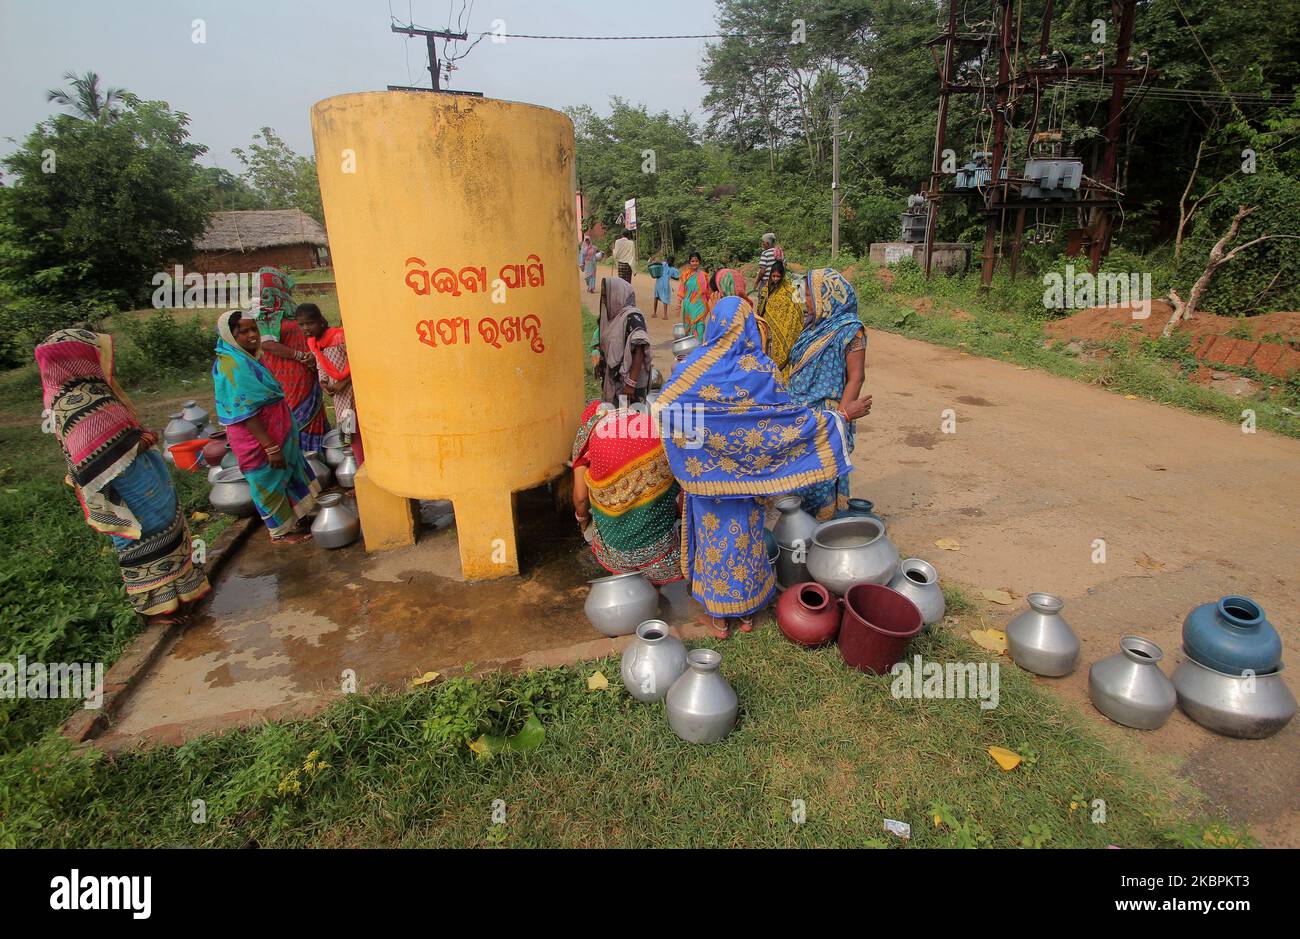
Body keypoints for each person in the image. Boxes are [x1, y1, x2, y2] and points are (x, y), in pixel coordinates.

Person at [655, 295, 867, 639]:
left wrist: (706, 444)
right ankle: (749, 615)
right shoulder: (763, 370)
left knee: (715, 540)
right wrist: (839, 417)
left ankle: (720, 620)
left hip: (708, 478)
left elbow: (663, 408)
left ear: (715, 325)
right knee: (748, 538)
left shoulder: (694, 366)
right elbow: (789, 420)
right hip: (752, 478)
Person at [35, 328, 210, 625]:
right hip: (122, 485)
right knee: (140, 538)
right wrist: (140, 442)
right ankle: (152, 609)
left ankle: (179, 595)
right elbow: (91, 454)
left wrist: (140, 440)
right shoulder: (71, 402)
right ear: (76, 359)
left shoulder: (97, 390)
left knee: (167, 529)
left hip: (143, 476)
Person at [213, 310, 321, 544]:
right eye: (245, 331)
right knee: (267, 482)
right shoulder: (232, 365)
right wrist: (270, 446)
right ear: (231, 335)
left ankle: (296, 519)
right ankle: (280, 533)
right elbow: (246, 412)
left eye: (255, 329)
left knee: (288, 473)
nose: (253, 335)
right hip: (258, 438)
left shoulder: (249, 358)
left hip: (277, 431)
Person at [787, 268, 872, 519]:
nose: (806, 301)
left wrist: (840, 418)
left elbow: (856, 377)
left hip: (827, 412)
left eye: (810, 296)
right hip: (801, 415)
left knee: (822, 475)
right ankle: (799, 531)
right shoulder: (813, 327)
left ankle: (822, 532)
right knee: (799, 478)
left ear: (827, 296)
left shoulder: (850, 330)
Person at [571, 400, 682, 584]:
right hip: (658, 450)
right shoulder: (633, 416)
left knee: (606, 510)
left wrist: (582, 520)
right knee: (652, 499)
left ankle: (624, 579)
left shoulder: (585, 437)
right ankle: (655, 584)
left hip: (617, 541)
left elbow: (581, 498)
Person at [251, 267, 329, 454]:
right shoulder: (263, 313)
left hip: (307, 370)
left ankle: (321, 457)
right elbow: (268, 344)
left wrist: (315, 354)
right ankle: (302, 458)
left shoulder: (291, 310)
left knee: (315, 412)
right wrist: (300, 355)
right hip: (287, 376)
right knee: (294, 413)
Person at [296, 303, 363, 464]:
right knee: (349, 435)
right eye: (302, 324)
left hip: (356, 393)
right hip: (341, 400)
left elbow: (358, 360)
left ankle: (367, 468)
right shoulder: (314, 343)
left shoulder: (338, 337)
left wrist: (344, 382)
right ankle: (360, 468)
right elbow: (321, 365)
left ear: (320, 321)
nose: (306, 328)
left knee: (363, 431)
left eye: (310, 323)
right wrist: (324, 382)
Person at [594, 276, 651, 404]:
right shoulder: (613, 318)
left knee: (631, 419)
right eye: (603, 296)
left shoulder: (632, 317)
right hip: (616, 380)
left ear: (618, 295)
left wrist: (631, 383)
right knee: (616, 419)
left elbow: (640, 349)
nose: (605, 300)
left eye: (606, 296)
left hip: (630, 385)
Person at [755, 259, 802, 379]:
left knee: (781, 358)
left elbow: (797, 312)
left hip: (784, 333)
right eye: (773, 276)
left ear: (783, 276)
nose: (775, 278)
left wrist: (788, 330)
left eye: (778, 276)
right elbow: (760, 308)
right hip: (766, 331)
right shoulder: (766, 289)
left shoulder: (790, 291)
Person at [677, 251, 710, 342]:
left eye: (696, 261)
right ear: (689, 262)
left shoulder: (704, 276)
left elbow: (708, 292)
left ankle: (699, 346)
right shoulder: (685, 275)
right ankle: (691, 346)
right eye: (692, 261)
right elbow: (681, 290)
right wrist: (678, 304)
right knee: (690, 325)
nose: (694, 263)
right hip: (689, 305)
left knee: (700, 324)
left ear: (699, 262)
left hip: (700, 305)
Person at [652, 254, 679, 320]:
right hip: (665, 284)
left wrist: (653, 261)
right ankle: (665, 315)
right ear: (673, 262)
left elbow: (657, 264)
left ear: (667, 260)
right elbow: (677, 278)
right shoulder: (673, 269)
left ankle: (655, 313)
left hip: (659, 282)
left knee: (656, 297)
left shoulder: (664, 264)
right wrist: (669, 276)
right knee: (665, 299)